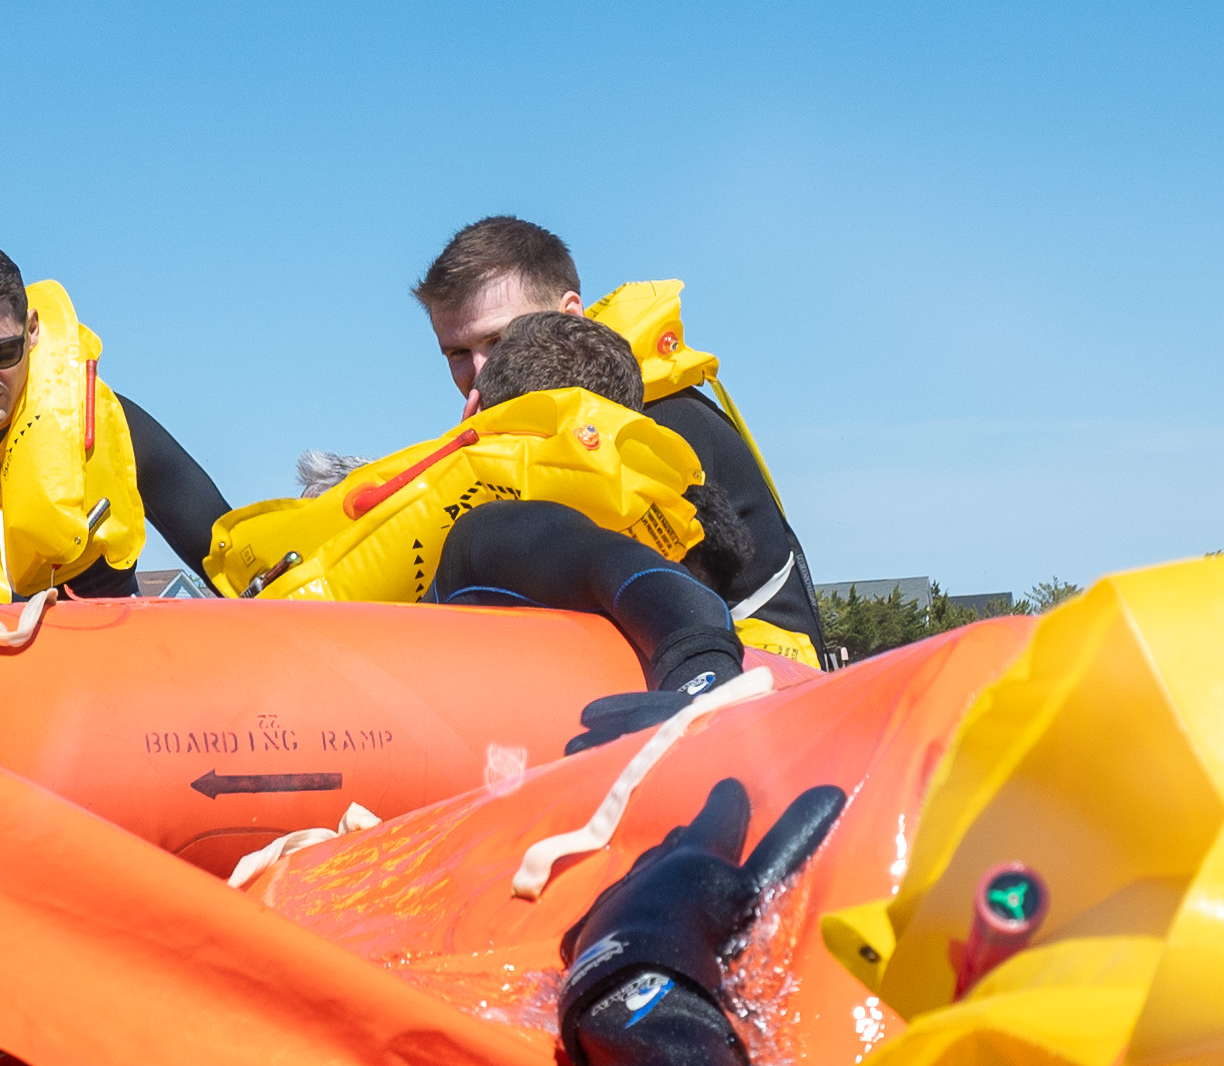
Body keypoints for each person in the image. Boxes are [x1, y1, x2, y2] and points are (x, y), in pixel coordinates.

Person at [207, 311, 755, 750]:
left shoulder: (484, 533)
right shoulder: (653, 531)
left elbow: (592, 557)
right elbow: (619, 568)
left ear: (475, 413)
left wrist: (701, 675)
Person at [414, 215, 827, 654]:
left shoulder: (656, 426)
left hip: (760, 681)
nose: (480, 372)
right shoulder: (534, 438)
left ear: (570, 314)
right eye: (458, 352)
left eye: (497, 341)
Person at [0, 242, 231, 596]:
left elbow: (233, 552)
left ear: (33, 330)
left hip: (97, 642)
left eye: (3, 352)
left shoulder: (103, 424)